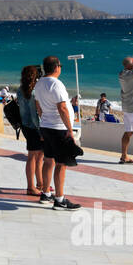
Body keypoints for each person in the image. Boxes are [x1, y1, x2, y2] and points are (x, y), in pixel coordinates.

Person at [33, 56, 81, 209]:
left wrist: (45, 120)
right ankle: (59, 199)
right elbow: (62, 108)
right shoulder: (56, 84)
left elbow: (39, 107)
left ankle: (46, 193)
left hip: (46, 126)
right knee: (61, 164)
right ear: (56, 67)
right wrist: (69, 129)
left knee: (48, 160)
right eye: (60, 65)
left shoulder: (39, 83)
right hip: (58, 128)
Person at [17, 65, 45, 196]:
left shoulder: (20, 90)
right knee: (34, 157)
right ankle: (31, 187)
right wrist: (41, 132)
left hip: (25, 126)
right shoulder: (33, 92)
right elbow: (35, 116)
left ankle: (40, 184)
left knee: (38, 157)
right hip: (34, 128)